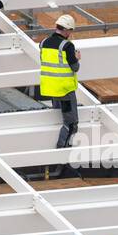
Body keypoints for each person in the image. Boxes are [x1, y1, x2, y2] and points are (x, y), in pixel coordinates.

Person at [39, 13, 80, 150]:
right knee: (71, 123)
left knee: (57, 117)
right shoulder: (67, 46)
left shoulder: (43, 43)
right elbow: (75, 67)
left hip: (50, 89)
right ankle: (62, 148)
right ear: (67, 30)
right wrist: (77, 58)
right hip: (65, 92)